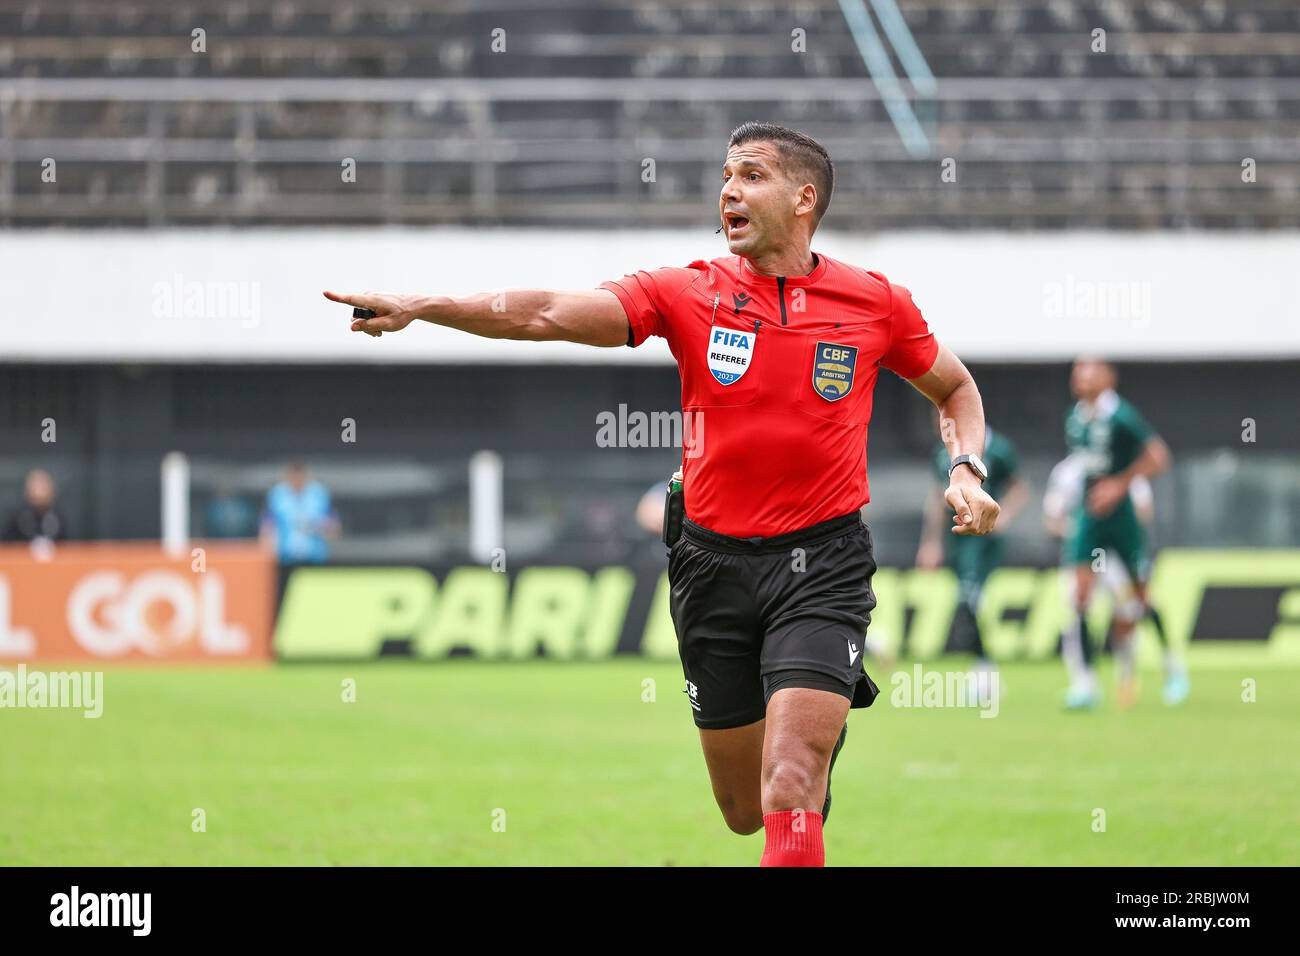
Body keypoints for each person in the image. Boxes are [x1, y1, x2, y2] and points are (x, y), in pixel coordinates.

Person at [323, 122, 1001, 867]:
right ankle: (798, 780)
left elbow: (956, 388)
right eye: (726, 176)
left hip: (824, 562)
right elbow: (542, 310)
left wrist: (966, 468)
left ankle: (802, 770)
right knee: (745, 810)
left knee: (788, 780)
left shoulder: (875, 303)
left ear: (804, 198)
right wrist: (427, 305)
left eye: (749, 175)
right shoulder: (687, 291)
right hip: (710, 568)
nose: (728, 191)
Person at [1059, 357, 1184, 710]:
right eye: (1077, 372)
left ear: (1108, 378)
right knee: (1079, 596)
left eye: (1090, 372)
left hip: (1122, 517)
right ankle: (1085, 683)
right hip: (1089, 516)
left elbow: (1159, 457)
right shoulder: (1075, 419)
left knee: (1141, 598)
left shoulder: (1122, 416)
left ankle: (1172, 667)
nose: (1081, 378)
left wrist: (1119, 485)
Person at [916, 416, 1027, 699]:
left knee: (970, 598)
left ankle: (984, 673)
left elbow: (1019, 488)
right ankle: (983, 669)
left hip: (984, 541)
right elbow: (936, 499)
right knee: (969, 602)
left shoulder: (997, 449)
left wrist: (1005, 516)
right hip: (957, 538)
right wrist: (931, 543)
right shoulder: (943, 454)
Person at [259, 462, 339, 564]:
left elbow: (334, 526)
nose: (297, 481)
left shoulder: (319, 494)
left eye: (300, 477)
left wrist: (321, 527)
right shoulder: (277, 494)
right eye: (294, 477)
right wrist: (267, 550)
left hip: (314, 556)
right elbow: (266, 525)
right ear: (288, 476)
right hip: (285, 556)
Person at [3, 469, 70, 544]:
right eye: (35, 486)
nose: (38, 490)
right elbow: (6, 545)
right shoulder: (17, 515)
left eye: (43, 486)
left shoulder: (58, 515)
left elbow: (67, 545)